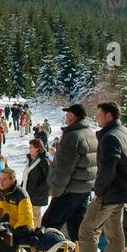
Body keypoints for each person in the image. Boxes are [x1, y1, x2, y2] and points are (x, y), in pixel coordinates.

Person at [67, 102, 127, 252]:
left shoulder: (110, 137)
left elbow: (107, 168)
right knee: (114, 230)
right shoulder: (124, 131)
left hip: (111, 190)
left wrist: (100, 191)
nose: (97, 117)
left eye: (100, 114)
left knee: (87, 229)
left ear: (109, 116)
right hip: (125, 189)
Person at [41, 103, 98, 241]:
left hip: (69, 189)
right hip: (84, 189)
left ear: (73, 116)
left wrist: (56, 190)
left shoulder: (72, 136)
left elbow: (64, 168)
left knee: (49, 225)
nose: (66, 116)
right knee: (76, 227)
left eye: (68, 113)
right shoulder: (90, 134)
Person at [24, 137, 51, 228]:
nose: (29, 148)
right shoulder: (30, 160)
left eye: (32, 147)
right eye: (29, 146)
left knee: (35, 216)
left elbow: (48, 178)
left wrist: (38, 190)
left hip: (37, 194)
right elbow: (26, 177)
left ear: (38, 148)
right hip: (28, 192)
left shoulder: (43, 161)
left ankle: (36, 234)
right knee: (28, 214)